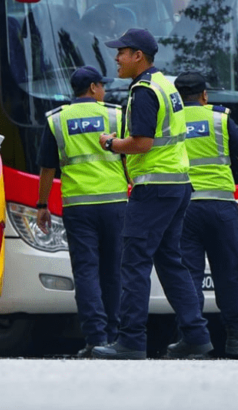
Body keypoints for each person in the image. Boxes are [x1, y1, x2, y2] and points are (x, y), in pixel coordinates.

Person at [89, 28, 211, 360]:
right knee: (170, 261)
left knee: (134, 262)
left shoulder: (143, 90)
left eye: (122, 52)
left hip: (155, 188)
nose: (116, 57)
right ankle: (196, 335)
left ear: (138, 56)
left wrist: (111, 143)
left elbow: (142, 143)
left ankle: (130, 341)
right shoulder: (165, 84)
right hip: (177, 184)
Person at [36, 66, 128, 356]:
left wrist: (42, 205)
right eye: (101, 86)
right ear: (92, 88)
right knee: (113, 271)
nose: (104, 91)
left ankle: (95, 338)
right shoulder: (116, 114)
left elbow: (47, 167)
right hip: (114, 204)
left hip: (78, 207)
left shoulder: (57, 120)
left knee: (86, 272)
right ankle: (113, 337)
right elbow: (130, 155)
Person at [175, 71, 238, 357]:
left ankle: (193, 336)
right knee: (229, 271)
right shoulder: (219, 118)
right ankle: (236, 333)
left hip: (184, 208)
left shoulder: (169, 120)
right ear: (204, 95)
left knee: (188, 274)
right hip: (221, 207)